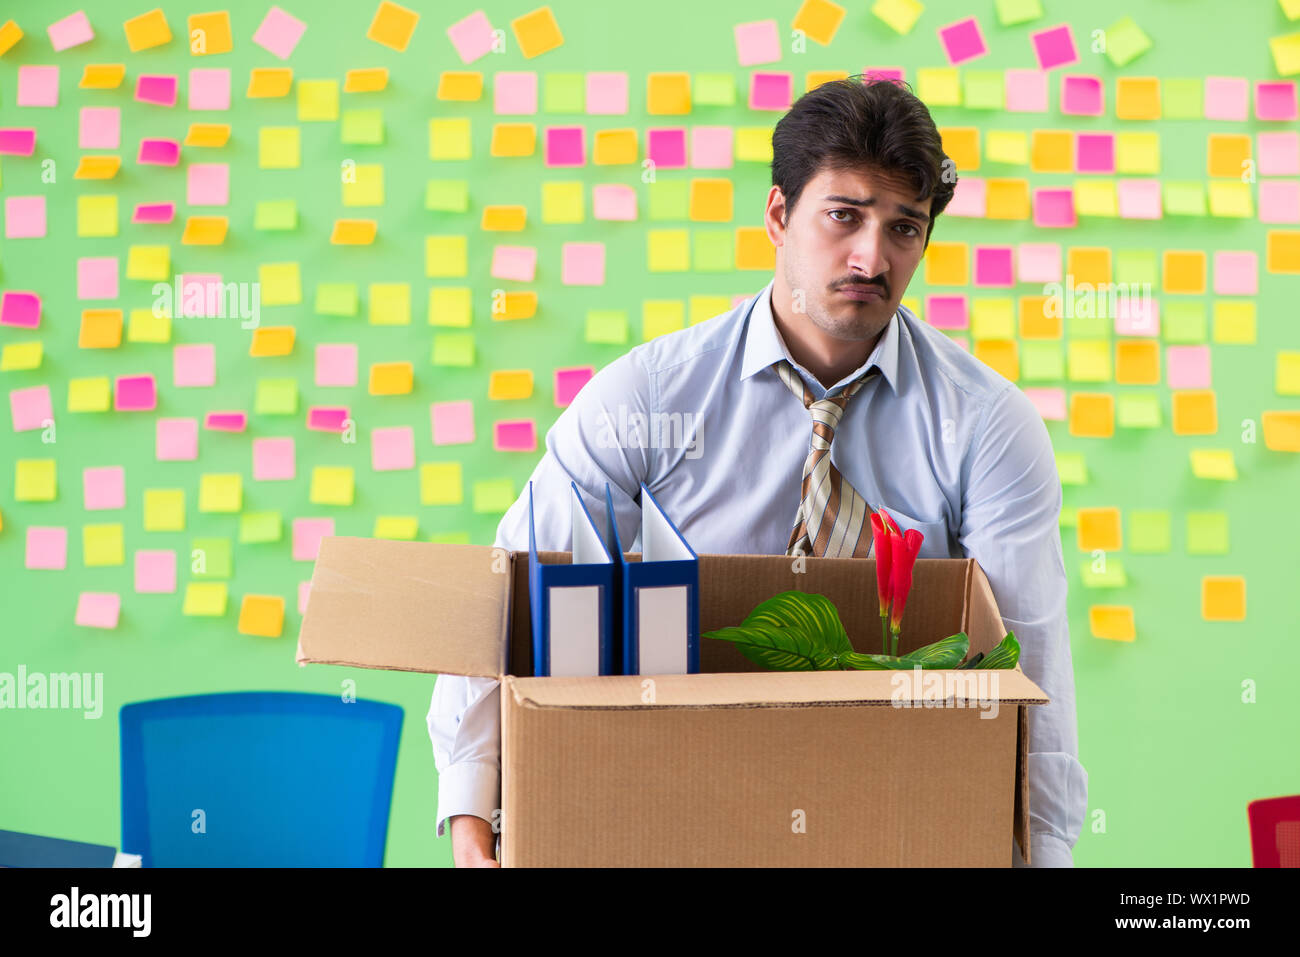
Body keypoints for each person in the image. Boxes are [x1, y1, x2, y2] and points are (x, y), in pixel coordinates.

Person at [429, 75, 1087, 867]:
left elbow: (1033, 666)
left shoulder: (985, 425)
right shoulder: (651, 396)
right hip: (679, 812)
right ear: (778, 215)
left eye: (904, 228)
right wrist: (473, 822)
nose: (873, 256)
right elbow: (510, 594)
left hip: (892, 815)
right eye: (844, 215)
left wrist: (1044, 853)